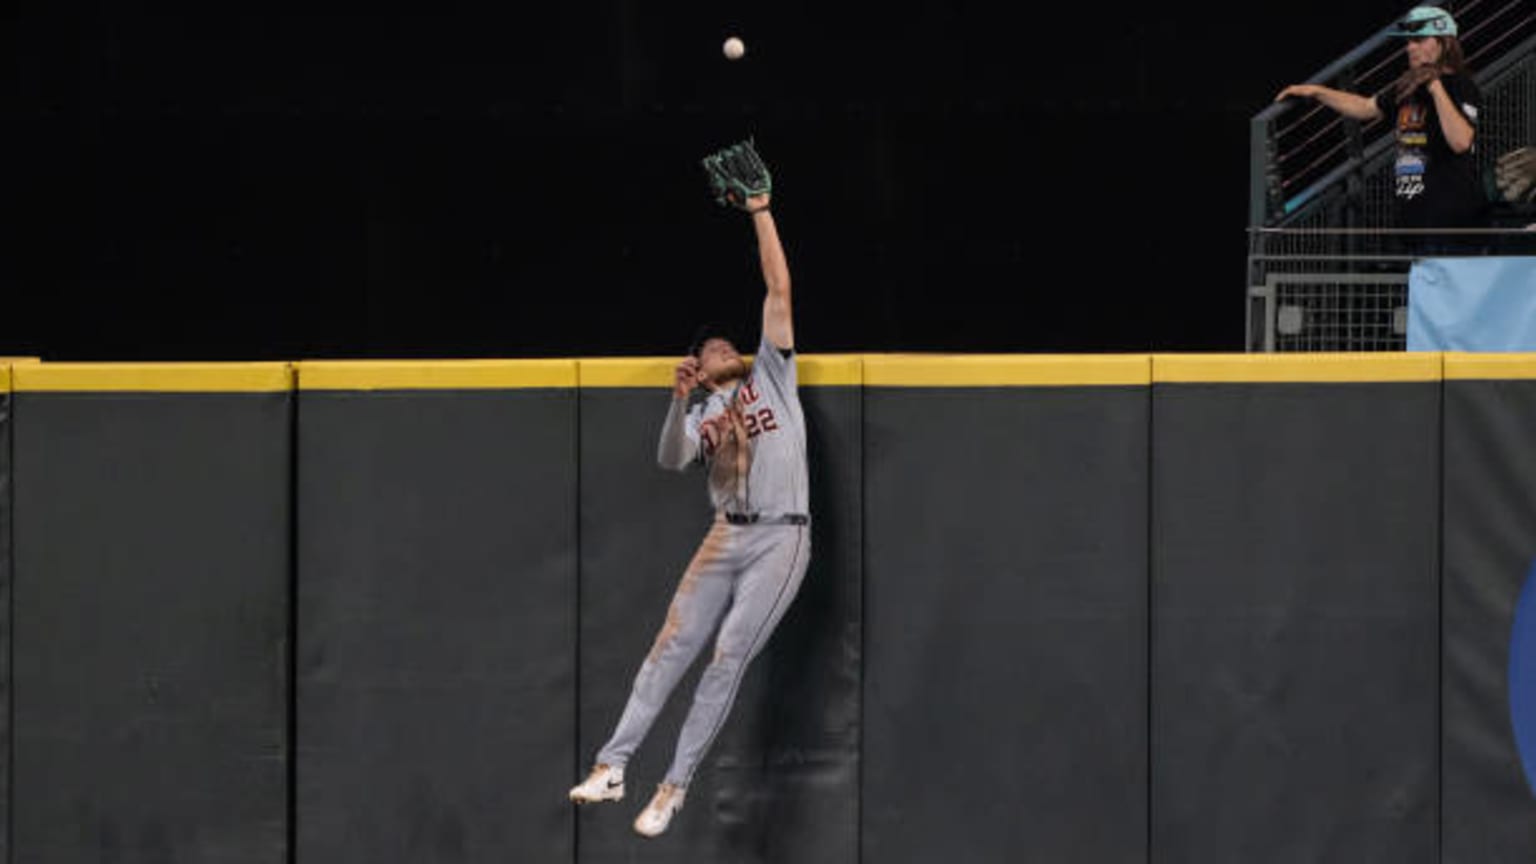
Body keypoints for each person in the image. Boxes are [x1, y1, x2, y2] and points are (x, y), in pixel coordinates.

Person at [568, 141, 811, 839]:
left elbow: (780, 291)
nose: (722, 349)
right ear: (699, 368)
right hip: (726, 532)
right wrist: (680, 401)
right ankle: (613, 766)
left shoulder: (771, 375)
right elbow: (673, 461)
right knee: (670, 646)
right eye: (709, 350)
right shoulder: (704, 411)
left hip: (782, 536)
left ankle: (673, 786)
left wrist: (760, 212)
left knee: (727, 654)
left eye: (725, 345)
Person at [1275, 5, 1483, 249]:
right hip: (1413, 215)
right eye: (1408, 42)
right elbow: (1365, 107)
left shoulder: (1460, 85)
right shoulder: (1408, 86)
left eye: (1419, 40)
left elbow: (1460, 141)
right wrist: (1317, 91)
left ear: (1444, 43)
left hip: (1450, 220)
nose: (1410, 48)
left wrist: (1436, 87)